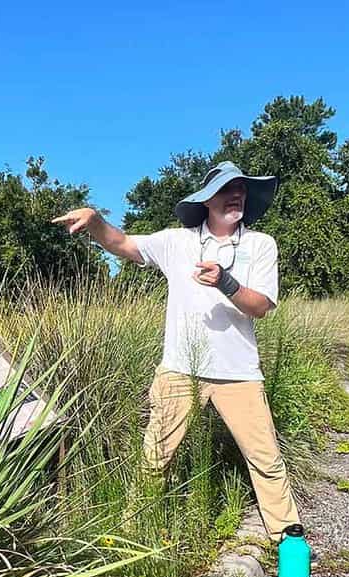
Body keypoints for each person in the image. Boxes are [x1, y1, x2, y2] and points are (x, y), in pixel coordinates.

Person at [52, 161, 301, 542]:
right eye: (226, 189)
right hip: (179, 370)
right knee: (155, 458)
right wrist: (95, 220)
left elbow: (261, 306)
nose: (236, 195)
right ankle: (133, 534)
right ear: (206, 200)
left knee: (266, 460)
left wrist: (226, 281)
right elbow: (122, 244)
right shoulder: (177, 241)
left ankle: (288, 538)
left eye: (241, 189)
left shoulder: (260, 245)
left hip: (239, 374)